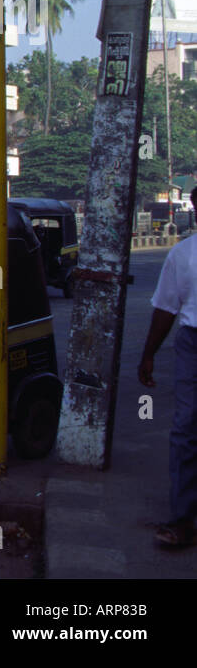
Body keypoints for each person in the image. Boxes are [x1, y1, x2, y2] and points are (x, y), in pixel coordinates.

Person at [139, 189, 197, 548]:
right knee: (187, 427)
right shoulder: (182, 254)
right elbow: (165, 310)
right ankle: (183, 518)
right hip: (192, 342)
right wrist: (148, 355)